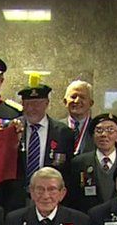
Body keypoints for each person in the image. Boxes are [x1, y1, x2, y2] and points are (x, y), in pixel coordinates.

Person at [5, 84, 73, 212]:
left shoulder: (63, 133)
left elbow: (68, 171)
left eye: (37, 103)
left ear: (47, 103)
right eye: (28, 104)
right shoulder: (12, 129)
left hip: (50, 199)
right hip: (17, 200)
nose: (32, 108)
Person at [67, 113, 117, 212]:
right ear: (93, 136)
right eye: (99, 130)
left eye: (110, 130)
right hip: (88, 220)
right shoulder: (79, 163)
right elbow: (72, 198)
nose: (104, 135)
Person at [60, 80, 95, 155]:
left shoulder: (97, 129)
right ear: (65, 102)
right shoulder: (55, 128)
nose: (77, 101)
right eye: (73, 96)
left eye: (82, 97)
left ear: (91, 103)